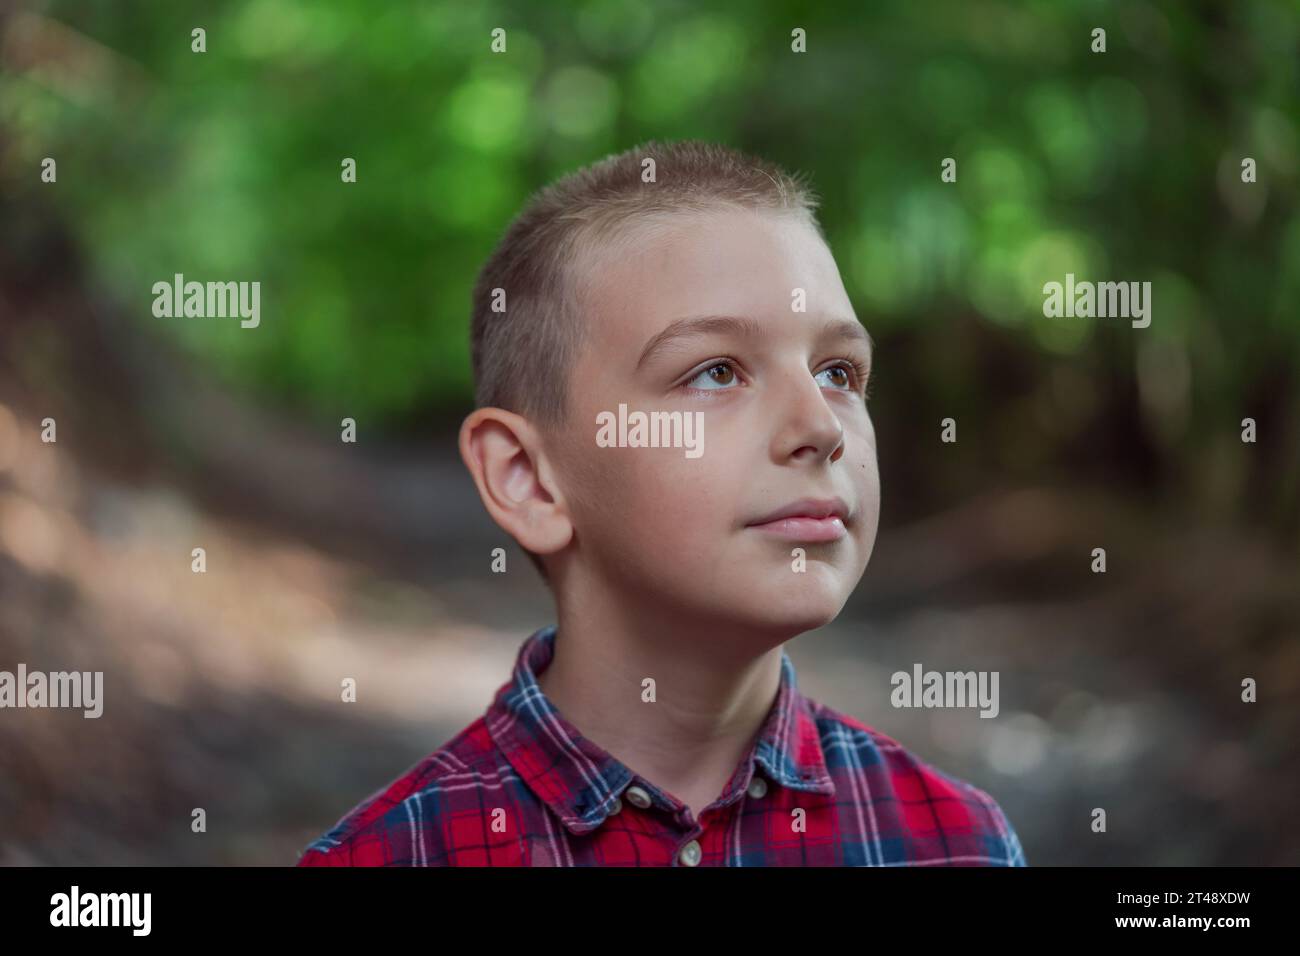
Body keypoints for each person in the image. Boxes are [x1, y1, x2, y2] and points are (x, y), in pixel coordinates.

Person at [297, 140, 1026, 866]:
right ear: (527, 477)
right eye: (715, 373)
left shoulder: (960, 843)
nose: (820, 426)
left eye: (838, 370)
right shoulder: (391, 856)